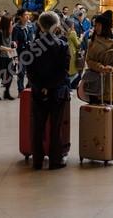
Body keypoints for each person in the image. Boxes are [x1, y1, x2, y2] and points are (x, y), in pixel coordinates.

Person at [25, 12, 70, 170]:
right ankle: (55, 160)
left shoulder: (32, 46)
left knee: (38, 126)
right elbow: (63, 72)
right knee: (55, 127)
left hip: (38, 91)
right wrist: (50, 86)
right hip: (57, 91)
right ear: (57, 26)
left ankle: (37, 160)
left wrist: (41, 86)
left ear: (39, 25)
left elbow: (30, 71)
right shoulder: (62, 45)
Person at [82, 12, 113, 105]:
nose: (95, 28)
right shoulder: (92, 42)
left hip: (110, 84)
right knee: (95, 115)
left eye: (98, 25)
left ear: (105, 26)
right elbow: (88, 60)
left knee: (109, 116)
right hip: (94, 84)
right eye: (95, 25)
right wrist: (100, 67)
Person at [0, 15, 15, 100]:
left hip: (8, 56)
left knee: (10, 74)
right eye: (10, 23)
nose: (12, 24)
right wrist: (9, 48)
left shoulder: (9, 31)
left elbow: (8, 42)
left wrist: (12, 43)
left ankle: (7, 92)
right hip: (0, 57)